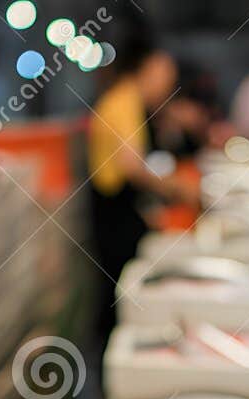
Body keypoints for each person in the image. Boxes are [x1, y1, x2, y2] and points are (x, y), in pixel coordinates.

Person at [87, 30, 198, 357]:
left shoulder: (131, 102)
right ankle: (107, 362)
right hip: (112, 212)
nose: (167, 85)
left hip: (121, 208)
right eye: (166, 75)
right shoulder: (122, 103)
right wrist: (177, 189)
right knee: (113, 291)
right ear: (147, 69)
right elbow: (132, 167)